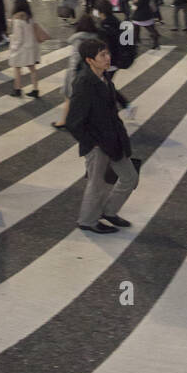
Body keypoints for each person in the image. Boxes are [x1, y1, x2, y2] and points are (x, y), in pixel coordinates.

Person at [68, 34, 138, 234]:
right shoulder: (83, 83)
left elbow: (111, 97)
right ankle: (87, 221)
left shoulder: (103, 75)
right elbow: (73, 122)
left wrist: (125, 104)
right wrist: (92, 143)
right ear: (90, 60)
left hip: (114, 139)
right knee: (97, 185)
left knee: (130, 178)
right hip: (98, 143)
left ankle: (109, 211)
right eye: (102, 55)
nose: (108, 58)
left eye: (107, 53)